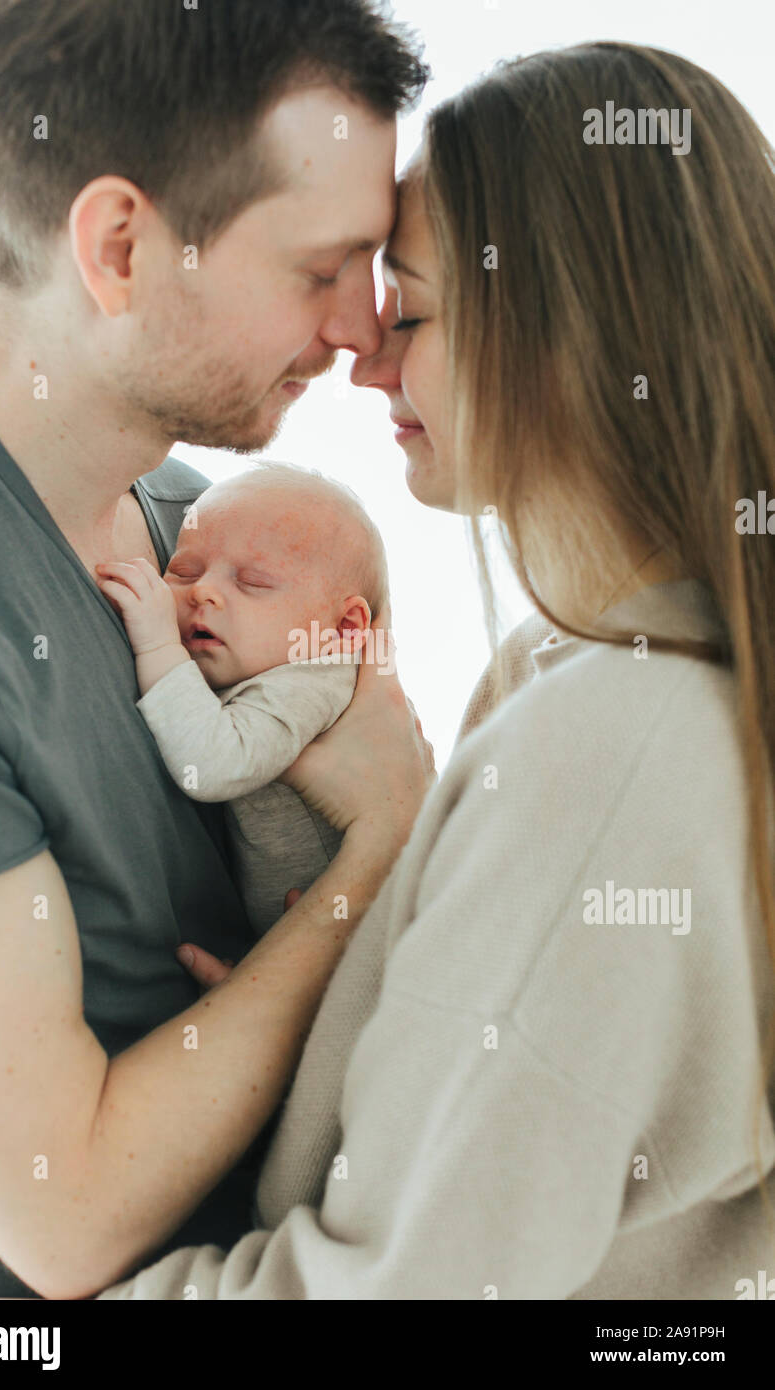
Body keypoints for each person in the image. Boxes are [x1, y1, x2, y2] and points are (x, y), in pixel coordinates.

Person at [91, 41, 775, 1299]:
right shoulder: (589, 668)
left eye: (405, 310)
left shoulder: (616, 737)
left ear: (565, 330)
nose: (362, 357)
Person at [0, 0, 430, 1299]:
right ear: (122, 248)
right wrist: (371, 863)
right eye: (320, 270)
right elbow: (65, 1217)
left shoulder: (206, 524)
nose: (365, 331)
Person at [98, 462, 393, 939]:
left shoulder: (316, 679)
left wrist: (157, 644)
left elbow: (215, 763)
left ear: (342, 630)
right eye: (183, 570)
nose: (203, 591)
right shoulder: (259, 660)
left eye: (252, 582)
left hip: (375, 940)